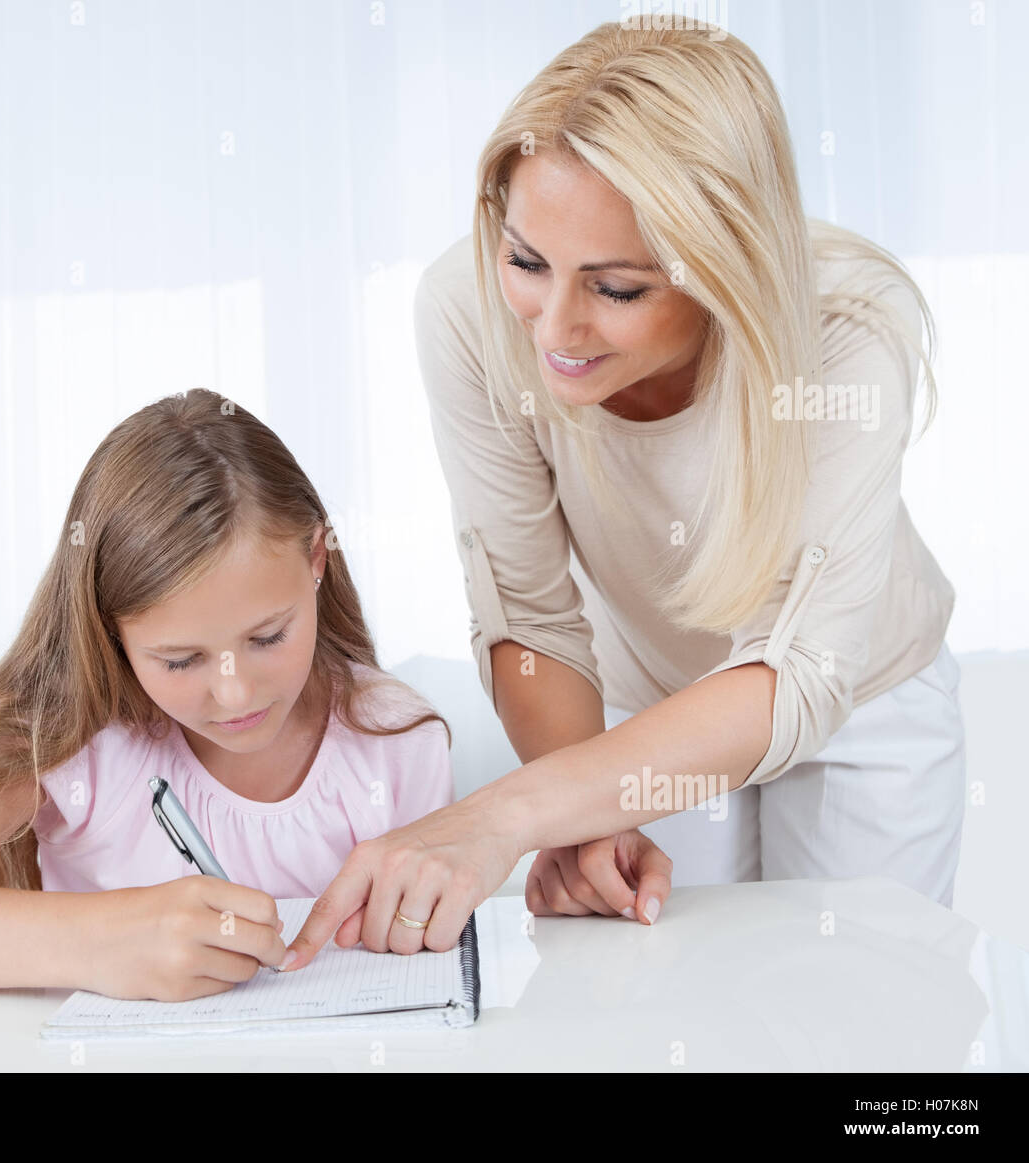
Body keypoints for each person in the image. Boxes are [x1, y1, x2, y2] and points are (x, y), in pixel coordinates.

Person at [283, 20, 963, 970]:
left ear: (725, 266)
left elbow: (802, 672)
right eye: (528, 263)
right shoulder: (466, 309)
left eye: (617, 288)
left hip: (860, 696)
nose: (555, 327)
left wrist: (507, 816)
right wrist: (579, 811)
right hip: (645, 709)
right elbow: (530, 611)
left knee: (860, 1016)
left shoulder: (846, 322)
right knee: (665, 994)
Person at [0, 389, 453, 1001]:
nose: (235, 689)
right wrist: (101, 939)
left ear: (316, 561)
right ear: (110, 628)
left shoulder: (397, 740)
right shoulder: (71, 742)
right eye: (180, 659)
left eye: (268, 636)